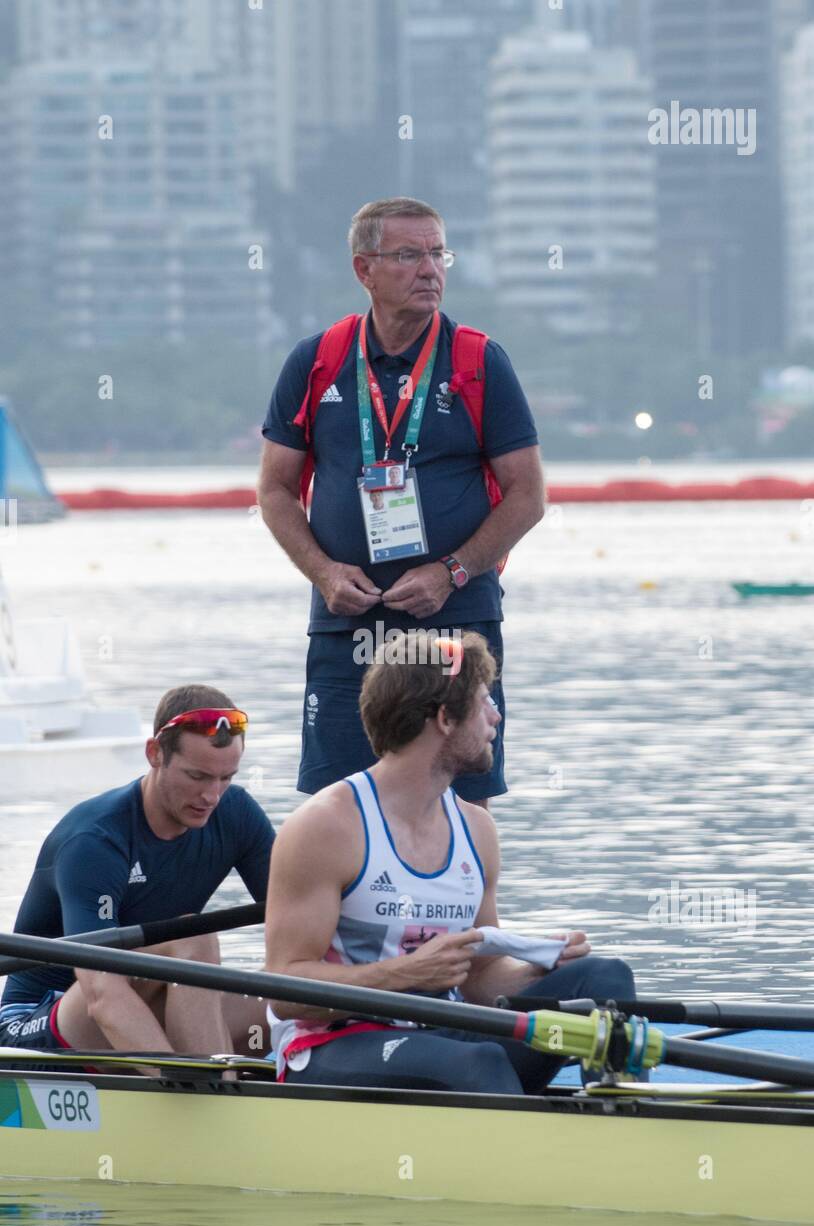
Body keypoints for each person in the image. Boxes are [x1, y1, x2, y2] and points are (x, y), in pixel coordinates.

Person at [258, 196, 545, 809]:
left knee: (461, 801)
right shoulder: (317, 361)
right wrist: (323, 572)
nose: (430, 270)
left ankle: (468, 910)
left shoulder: (479, 361)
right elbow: (275, 490)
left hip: (455, 621)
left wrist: (450, 573)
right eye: (409, 255)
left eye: (439, 253)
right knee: (337, 802)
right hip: (348, 618)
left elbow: (528, 496)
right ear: (364, 269)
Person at [265, 633, 635, 1095]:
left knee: (604, 981)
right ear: (444, 718)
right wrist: (405, 974)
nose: (496, 717)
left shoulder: (476, 829)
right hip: (338, 1043)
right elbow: (283, 991)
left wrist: (538, 966)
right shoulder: (326, 827)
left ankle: (616, 1117)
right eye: (484, 703)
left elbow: (480, 979)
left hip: (443, 1030)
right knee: (479, 1065)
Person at [0, 685, 275, 1056]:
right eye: (197, 777)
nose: (212, 796)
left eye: (226, 778)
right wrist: (171, 1080)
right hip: (41, 1021)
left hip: (141, 1003)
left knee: (309, 994)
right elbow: (101, 991)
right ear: (154, 754)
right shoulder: (95, 840)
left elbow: (296, 926)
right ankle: (208, 1090)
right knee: (195, 941)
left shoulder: (236, 813)